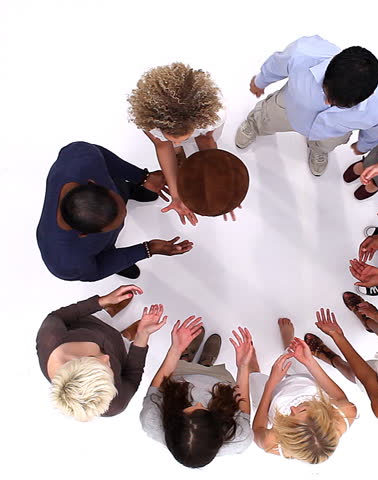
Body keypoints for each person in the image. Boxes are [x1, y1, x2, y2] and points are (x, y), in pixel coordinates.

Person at [235, 35, 378, 176]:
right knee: (268, 117)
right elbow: (277, 64)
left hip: (332, 133)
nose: (327, 103)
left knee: (325, 144)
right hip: (289, 108)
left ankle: (319, 150)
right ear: (332, 63)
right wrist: (261, 81)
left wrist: (364, 145)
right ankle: (254, 124)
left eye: (340, 105)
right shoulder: (303, 53)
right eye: (327, 93)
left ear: (367, 96)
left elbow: (375, 129)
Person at [36, 141, 193, 281]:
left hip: (109, 189)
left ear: (92, 183)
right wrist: (147, 249)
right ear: (85, 235)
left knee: (121, 187)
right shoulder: (66, 260)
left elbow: (103, 157)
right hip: (98, 249)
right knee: (108, 256)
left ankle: (128, 190)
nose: (125, 214)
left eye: (122, 209)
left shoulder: (81, 155)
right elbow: (96, 270)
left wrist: (142, 178)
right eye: (118, 220)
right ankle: (116, 257)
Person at [35, 285, 167, 421]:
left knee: (103, 318)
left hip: (93, 324)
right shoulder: (114, 404)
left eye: (92, 358)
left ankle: (109, 310)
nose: (107, 357)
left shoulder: (51, 339)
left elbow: (59, 316)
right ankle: (126, 336)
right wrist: (142, 335)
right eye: (110, 370)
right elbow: (132, 376)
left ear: (76, 362)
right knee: (122, 343)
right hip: (120, 348)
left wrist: (102, 301)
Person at [128, 62, 235, 226]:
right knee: (172, 148)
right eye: (172, 139)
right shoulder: (149, 122)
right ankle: (179, 155)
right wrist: (176, 195)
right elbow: (162, 145)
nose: (177, 142)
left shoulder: (214, 114)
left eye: (183, 138)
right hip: (179, 130)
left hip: (203, 130)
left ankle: (182, 150)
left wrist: (217, 182)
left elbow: (205, 140)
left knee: (193, 143)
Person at [140, 318, 256, 468]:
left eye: (191, 407)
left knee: (180, 361)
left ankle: (185, 358)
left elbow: (158, 386)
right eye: (204, 409)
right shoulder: (240, 438)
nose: (199, 402)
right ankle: (207, 364)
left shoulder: (151, 421)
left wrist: (176, 349)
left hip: (180, 378)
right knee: (212, 371)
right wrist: (243, 367)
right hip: (221, 385)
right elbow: (243, 409)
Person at [250, 317, 357, 464]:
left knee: (254, 379)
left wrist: (270, 385)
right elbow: (338, 397)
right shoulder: (346, 413)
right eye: (302, 409)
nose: (292, 408)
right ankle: (289, 342)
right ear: (324, 412)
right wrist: (310, 362)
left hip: (270, 401)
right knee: (294, 356)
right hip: (303, 383)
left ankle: (251, 361)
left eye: (290, 418)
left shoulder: (272, 443)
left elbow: (258, 428)